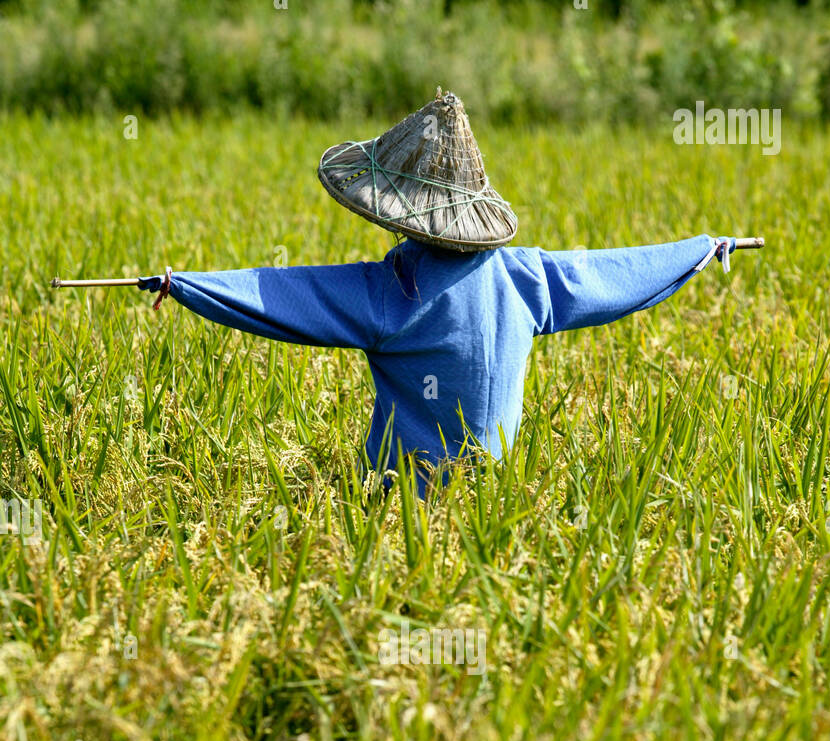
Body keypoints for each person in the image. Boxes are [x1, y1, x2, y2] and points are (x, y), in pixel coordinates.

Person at [143, 89, 741, 498]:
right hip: (494, 493)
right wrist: (701, 249)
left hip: (398, 494)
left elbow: (281, 294)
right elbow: (618, 275)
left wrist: (186, 285)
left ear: (401, 217)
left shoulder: (389, 293)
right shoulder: (527, 278)